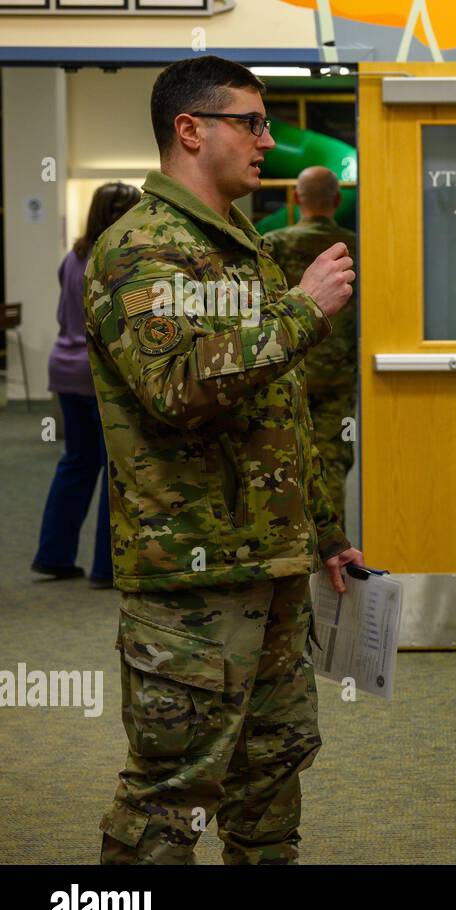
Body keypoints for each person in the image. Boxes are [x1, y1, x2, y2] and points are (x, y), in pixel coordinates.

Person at [86, 55, 360, 864]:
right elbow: (175, 388)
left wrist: (325, 530)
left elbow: (284, 409)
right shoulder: (142, 250)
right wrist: (304, 310)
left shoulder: (241, 245)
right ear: (190, 128)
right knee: (169, 799)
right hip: (191, 585)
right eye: (253, 122)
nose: (268, 141)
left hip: (272, 565)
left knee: (271, 775)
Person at [32, 181, 140, 587]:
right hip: (98, 374)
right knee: (115, 468)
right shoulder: (117, 257)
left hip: (63, 367)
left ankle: (53, 555)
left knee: (76, 462)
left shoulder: (73, 256)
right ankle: (106, 567)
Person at [264, 166, 358, 519]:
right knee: (332, 460)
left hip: (285, 370)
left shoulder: (272, 245)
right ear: (336, 199)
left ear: (295, 198)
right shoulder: (353, 247)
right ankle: (332, 553)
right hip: (338, 375)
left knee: (280, 460)